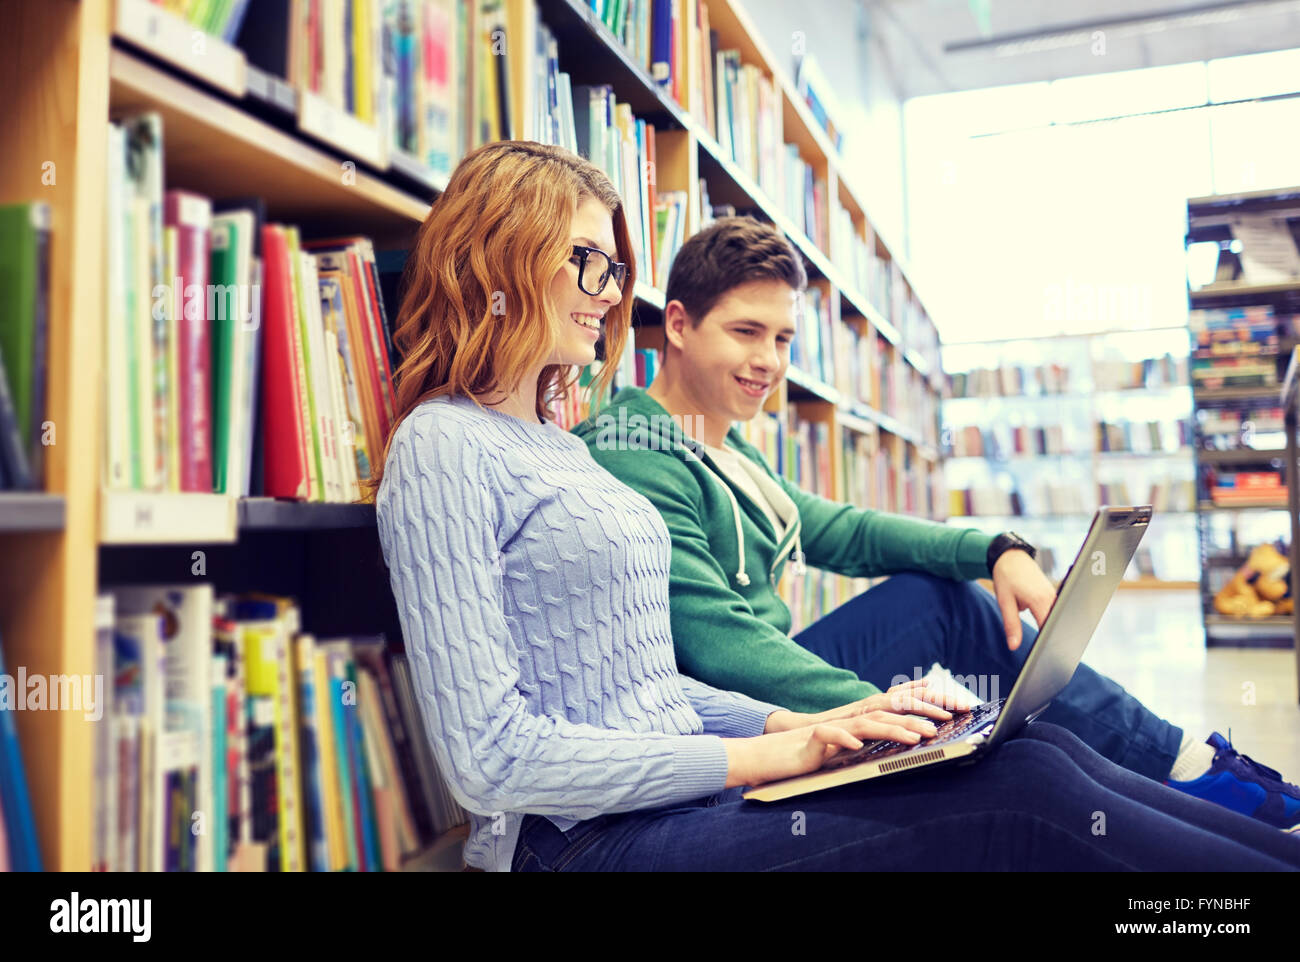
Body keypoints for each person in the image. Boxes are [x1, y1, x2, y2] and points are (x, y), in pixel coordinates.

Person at [371, 139, 1300, 871]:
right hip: (585, 842)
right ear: (502, 252)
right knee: (1021, 798)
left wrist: (802, 729)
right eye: (586, 261)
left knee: (1029, 760)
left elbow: (651, 691)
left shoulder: (561, 444)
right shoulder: (446, 447)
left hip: (683, 788)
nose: (611, 293)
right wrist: (770, 753)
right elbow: (489, 758)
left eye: (614, 269)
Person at [573, 216, 1300, 834]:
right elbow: (719, 644)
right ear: (676, 324)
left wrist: (993, 548)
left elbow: (850, 533)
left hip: (762, 687)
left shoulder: (721, 443)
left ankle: (1174, 773)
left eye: (786, 339)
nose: (769, 361)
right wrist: (876, 712)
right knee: (944, 618)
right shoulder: (641, 450)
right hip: (732, 724)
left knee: (959, 619)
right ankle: (1184, 770)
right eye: (746, 332)